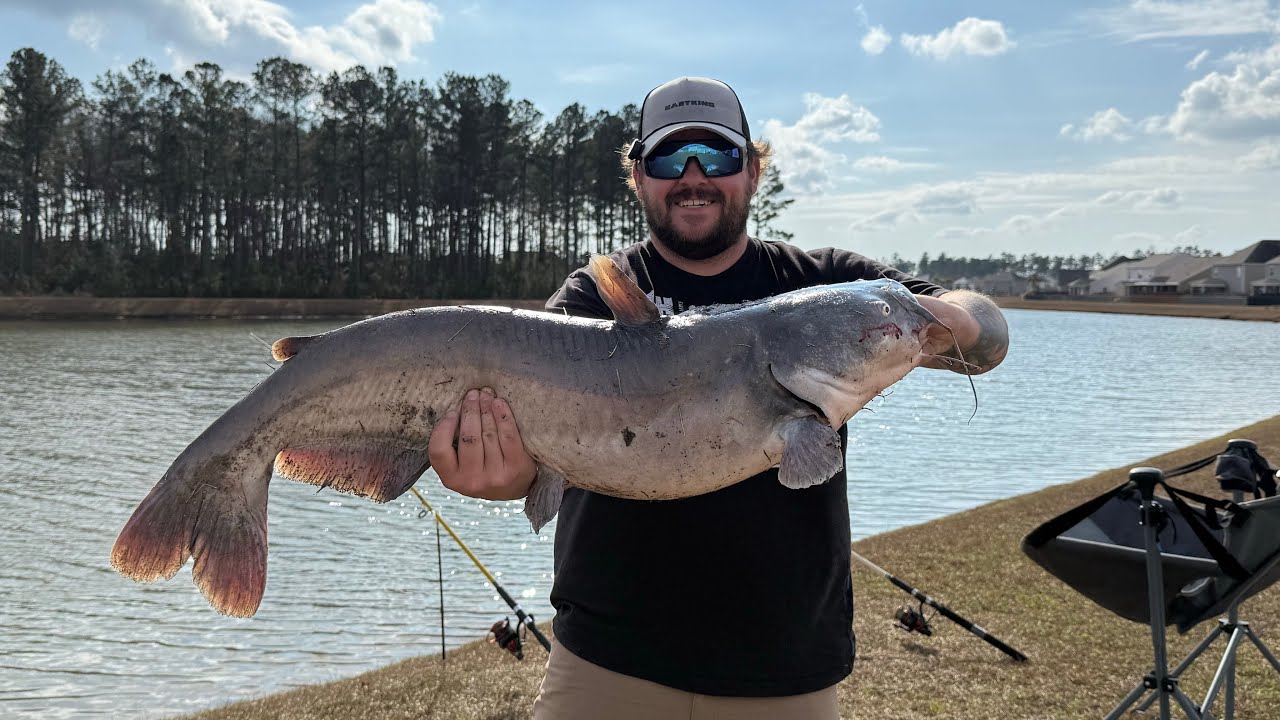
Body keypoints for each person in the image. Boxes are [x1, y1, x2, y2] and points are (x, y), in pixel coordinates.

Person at [427, 76, 1010, 719]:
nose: (695, 176)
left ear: (754, 170)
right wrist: (498, 477)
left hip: (786, 671)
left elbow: (986, 336)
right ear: (638, 177)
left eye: (720, 156)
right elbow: (535, 472)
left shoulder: (829, 285)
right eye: (671, 159)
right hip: (605, 662)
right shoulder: (593, 301)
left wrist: (955, 319)